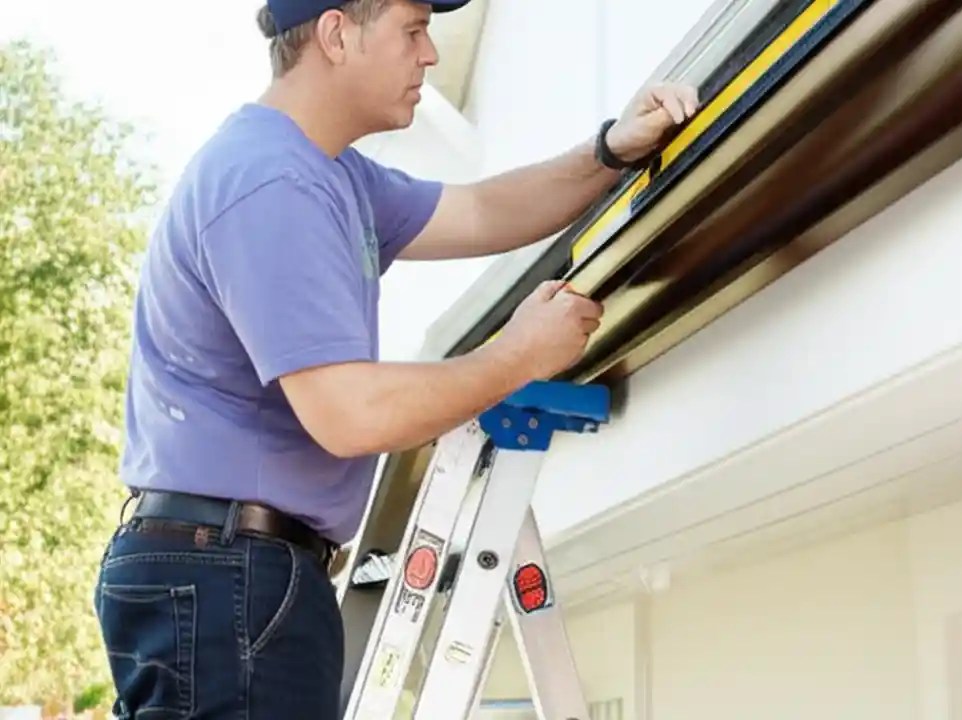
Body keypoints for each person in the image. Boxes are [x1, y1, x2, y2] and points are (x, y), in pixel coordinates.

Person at [91, 0, 699, 717]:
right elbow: (350, 415)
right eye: (412, 29)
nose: (430, 54)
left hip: (227, 568)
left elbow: (484, 212)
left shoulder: (327, 174)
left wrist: (610, 150)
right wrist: (518, 355)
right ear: (336, 34)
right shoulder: (271, 182)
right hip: (230, 572)